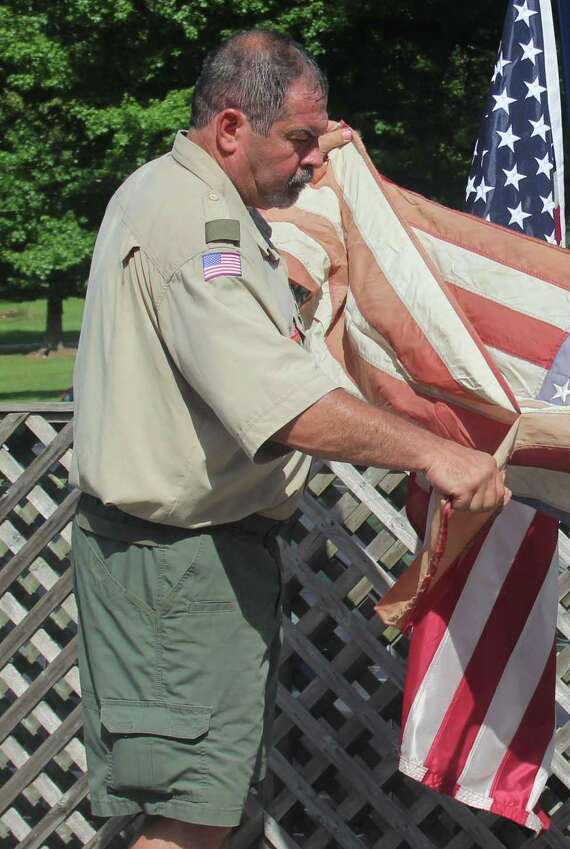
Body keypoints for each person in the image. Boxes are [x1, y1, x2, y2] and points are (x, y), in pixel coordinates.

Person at [69, 30, 508, 849]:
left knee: (201, 806)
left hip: (189, 559)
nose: (311, 159)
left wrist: (324, 167)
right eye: (299, 139)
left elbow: (264, 334)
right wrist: (434, 451)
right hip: (177, 563)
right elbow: (279, 402)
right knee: (192, 814)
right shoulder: (198, 227)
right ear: (231, 128)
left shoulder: (194, 201)